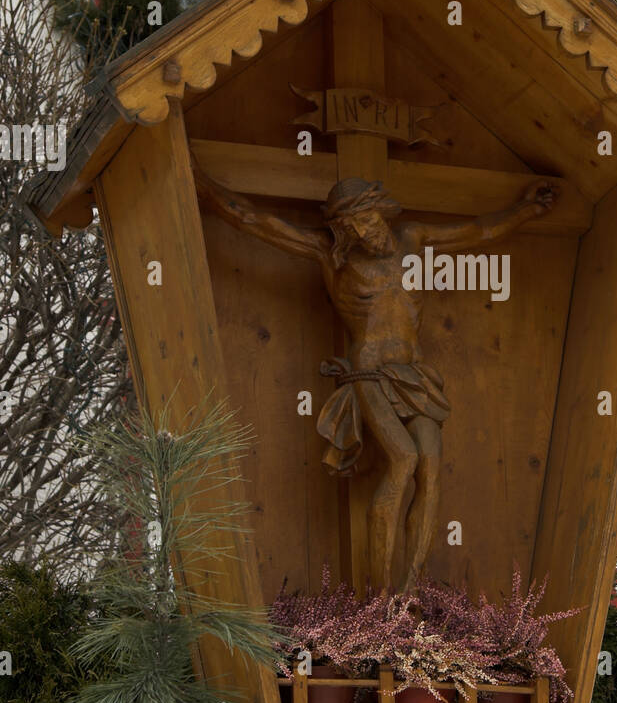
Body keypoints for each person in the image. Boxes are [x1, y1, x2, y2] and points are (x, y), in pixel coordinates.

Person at [192, 160, 556, 587]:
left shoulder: (414, 239)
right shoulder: (330, 256)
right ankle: (379, 600)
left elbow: (479, 231)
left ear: (381, 211)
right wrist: (198, 179)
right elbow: (251, 218)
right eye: (352, 228)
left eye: (367, 220)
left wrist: (526, 212)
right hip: (368, 375)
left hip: (415, 374)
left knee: (432, 469)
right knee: (403, 459)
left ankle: (409, 595)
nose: (364, 233)